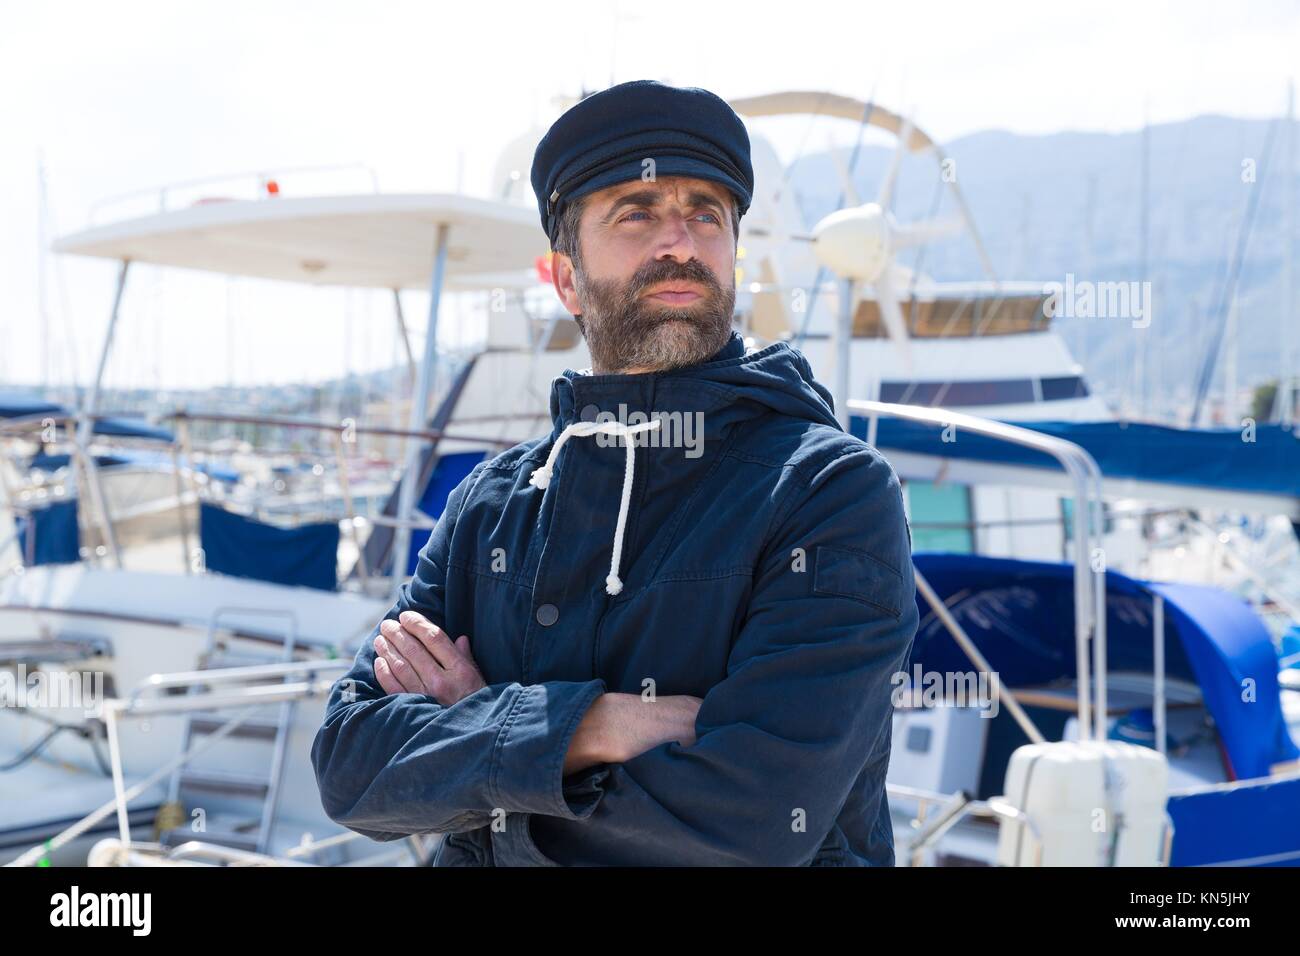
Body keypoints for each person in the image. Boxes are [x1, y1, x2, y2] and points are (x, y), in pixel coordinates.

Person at [311, 79, 919, 866]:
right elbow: (350, 766)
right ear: (564, 279)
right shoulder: (488, 509)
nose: (681, 242)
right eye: (637, 212)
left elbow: (750, 824)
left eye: (707, 213)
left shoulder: (827, 493)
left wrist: (486, 746)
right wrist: (586, 727)